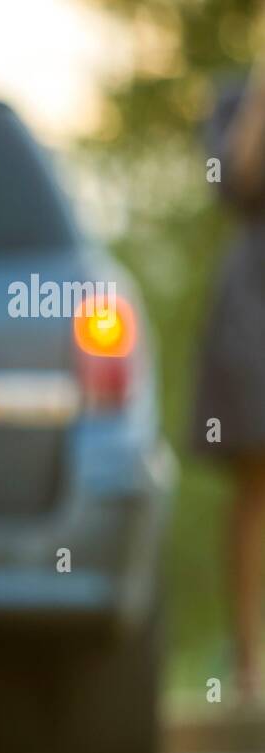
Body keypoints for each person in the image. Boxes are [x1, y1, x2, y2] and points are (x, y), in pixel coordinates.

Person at [193, 66, 265, 702]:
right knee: (254, 477)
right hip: (254, 305)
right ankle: (248, 665)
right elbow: (232, 182)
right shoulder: (233, 99)